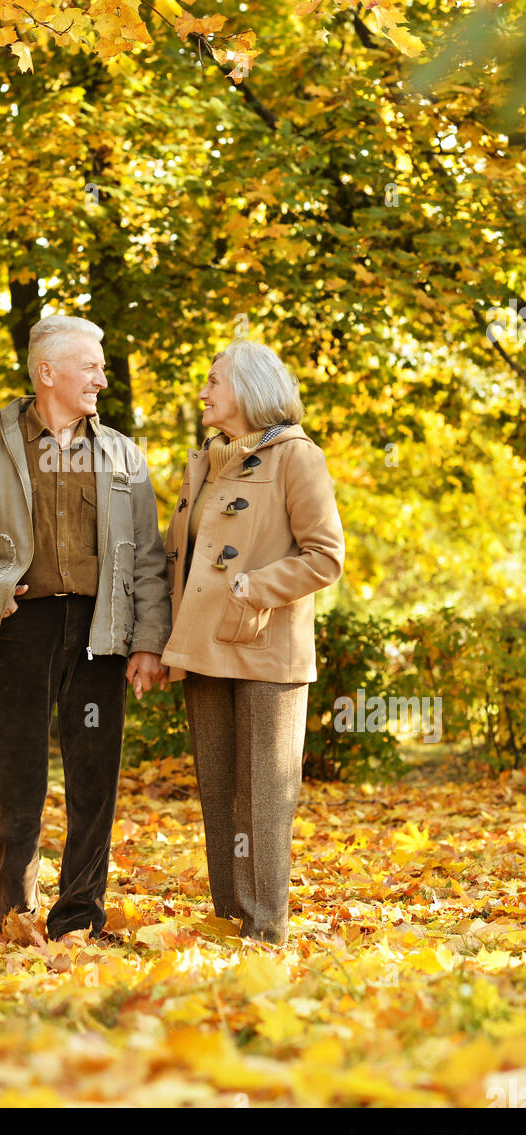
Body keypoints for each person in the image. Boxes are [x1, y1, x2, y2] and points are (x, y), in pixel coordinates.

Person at [0, 315, 171, 942]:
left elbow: (146, 556)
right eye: (91, 366)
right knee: (13, 774)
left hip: (101, 628)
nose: (102, 379)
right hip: (18, 623)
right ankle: (14, 911)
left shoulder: (122, 453)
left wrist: (148, 641)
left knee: (95, 774)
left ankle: (80, 915)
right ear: (48, 372)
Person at [161, 336, 346, 945]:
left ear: (249, 389)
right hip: (204, 645)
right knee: (218, 789)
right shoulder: (206, 461)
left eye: (215, 380)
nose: (204, 391)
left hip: (267, 647)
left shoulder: (298, 457)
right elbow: (178, 559)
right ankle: (229, 917)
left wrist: (253, 587)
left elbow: (325, 557)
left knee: (263, 794)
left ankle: (266, 931)